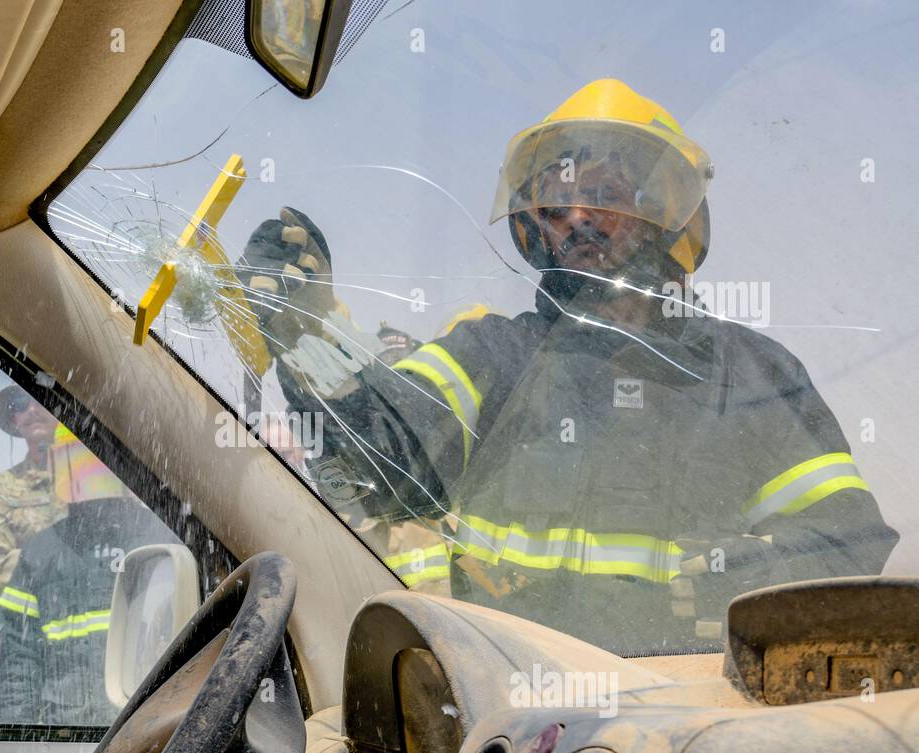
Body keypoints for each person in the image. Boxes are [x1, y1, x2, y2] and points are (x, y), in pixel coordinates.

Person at [237, 78, 898, 653]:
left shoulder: (752, 375)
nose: (577, 216)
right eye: (556, 201)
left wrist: (731, 590)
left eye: (605, 195)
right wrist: (309, 337)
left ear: (663, 210)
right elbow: (389, 458)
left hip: (684, 724)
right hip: (498, 724)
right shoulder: (494, 354)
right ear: (535, 226)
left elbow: (847, 545)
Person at [0, 466, 174, 726]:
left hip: (142, 730)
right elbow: (19, 662)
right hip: (72, 737)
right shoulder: (40, 553)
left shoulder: (160, 536)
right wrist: (20, 740)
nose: (91, 477)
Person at [0, 386, 89, 698]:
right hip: (30, 642)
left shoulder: (99, 481)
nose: (32, 409)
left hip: (96, 634)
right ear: (14, 420)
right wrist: (79, 574)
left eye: (42, 399)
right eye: (20, 404)